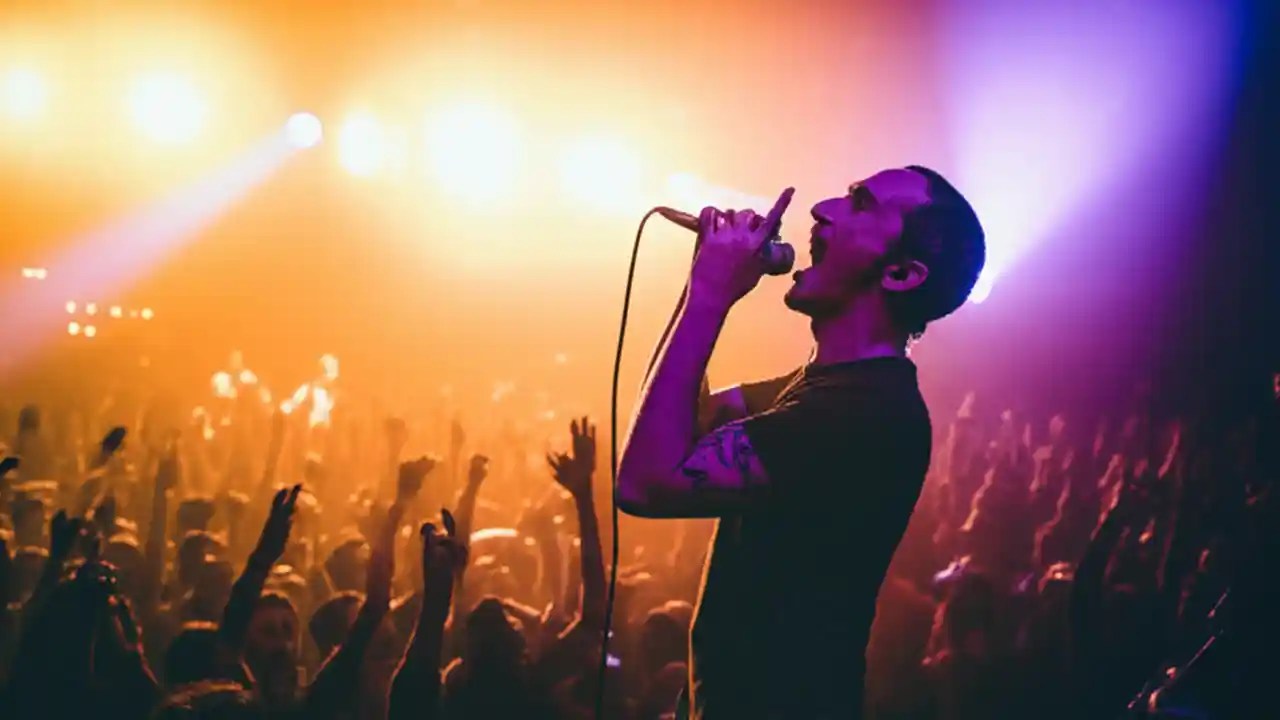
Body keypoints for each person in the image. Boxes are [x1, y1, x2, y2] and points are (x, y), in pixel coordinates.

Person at [617, 166, 985, 718]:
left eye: (861, 204)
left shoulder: (863, 418)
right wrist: (702, 283)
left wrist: (711, 296)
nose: (823, 208)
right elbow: (683, 427)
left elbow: (646, 483)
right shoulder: (825, 392)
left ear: (901, 273)